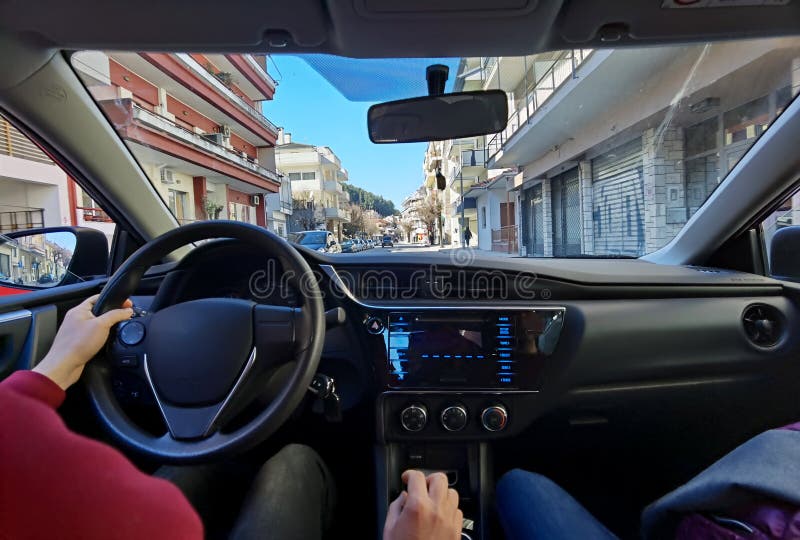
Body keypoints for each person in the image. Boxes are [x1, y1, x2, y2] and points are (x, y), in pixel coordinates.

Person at [0, 294, 462, 540]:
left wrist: (57, 364)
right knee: (294, 461)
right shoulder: (157, 522)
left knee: (201, 461)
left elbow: (13, 414)